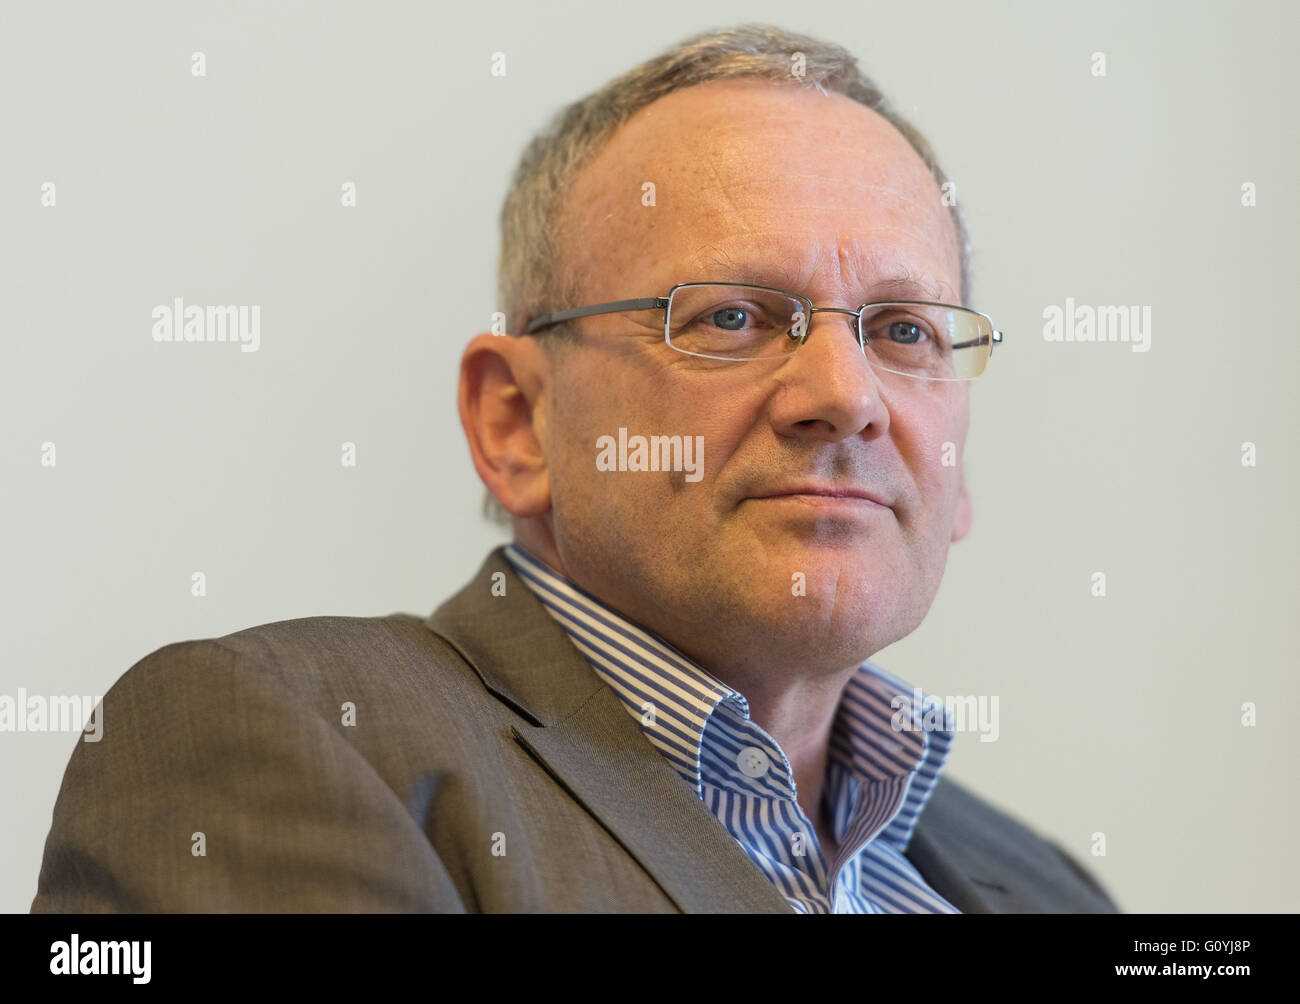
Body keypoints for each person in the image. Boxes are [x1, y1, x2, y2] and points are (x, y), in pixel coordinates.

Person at [32, 23, 1118, 914]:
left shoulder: (1054, 889)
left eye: (904, 331)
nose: (845, 393)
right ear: (516, 420)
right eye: (731, 316)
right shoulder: (284, 737)